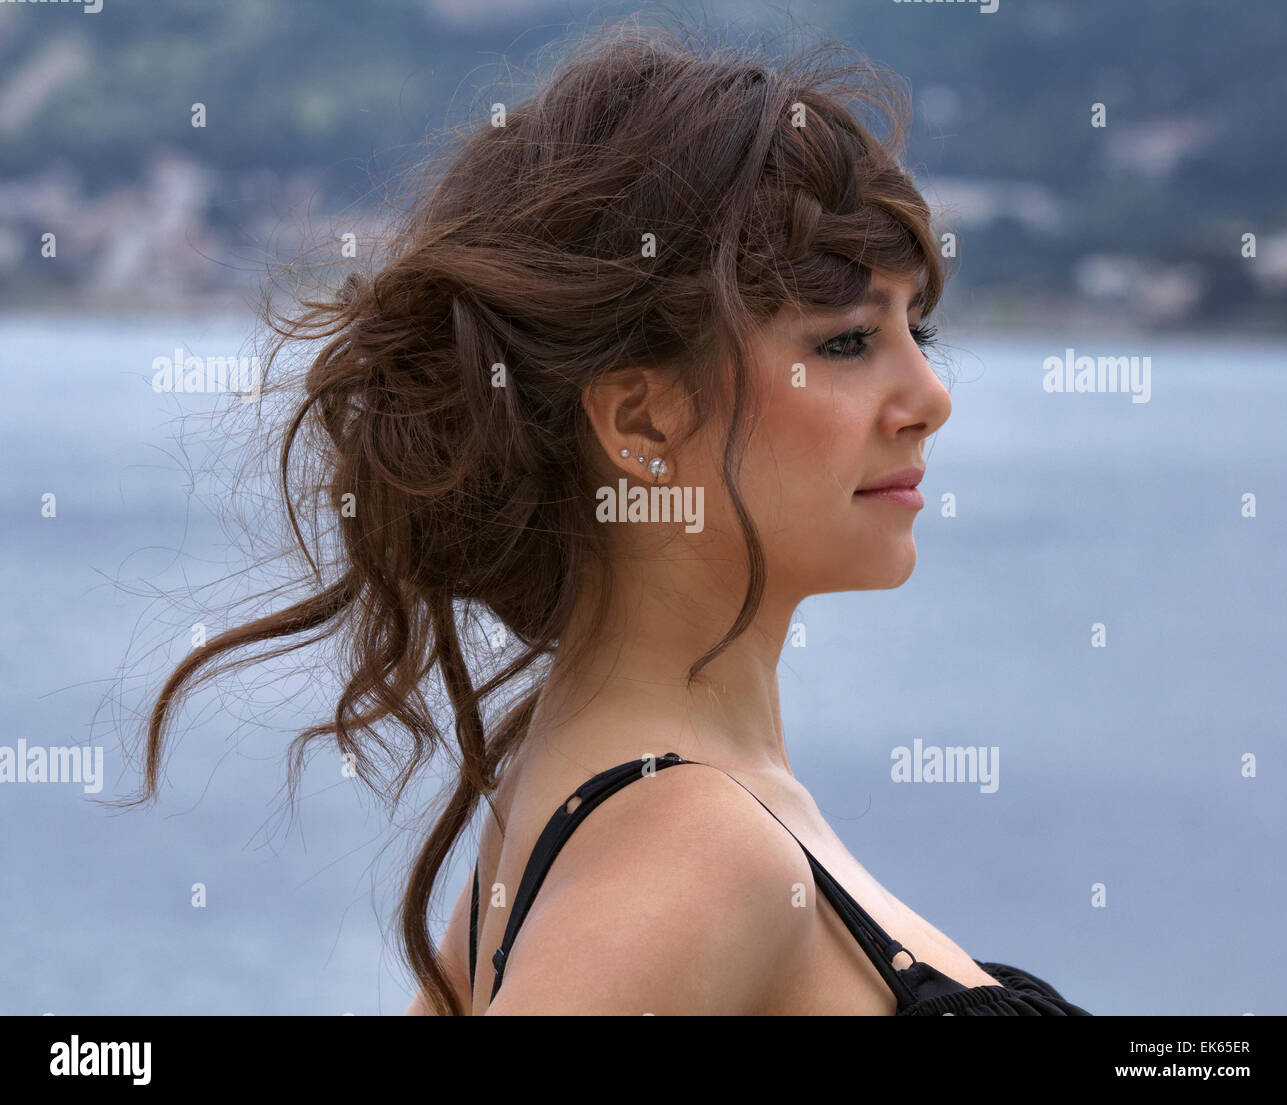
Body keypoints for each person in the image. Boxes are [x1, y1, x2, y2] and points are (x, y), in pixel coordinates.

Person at [135, 21, 1089, 1016]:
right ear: (639, 421)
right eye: (847, 341)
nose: (930, 395)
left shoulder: (593, 809)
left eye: (915, 328)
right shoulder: (689, 849)